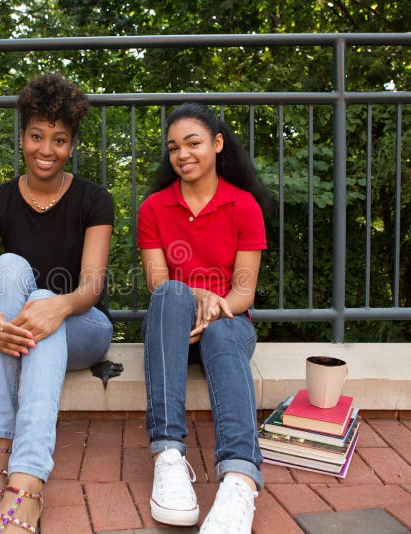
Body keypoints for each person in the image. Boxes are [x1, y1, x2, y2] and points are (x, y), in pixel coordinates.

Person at [0, 73, 114, 533]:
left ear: (71, 146)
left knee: (46, 297)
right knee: (9, 266)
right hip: (25, 331)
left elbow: (91, 287)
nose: (46, 149)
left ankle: (27, 480)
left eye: (59, 139)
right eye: (36, 136)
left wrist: (57, 306)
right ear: (22, 138)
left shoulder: (94, 199)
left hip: (84, 328)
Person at [137, 102, 272, 533]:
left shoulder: (244, 205)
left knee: (223, 332)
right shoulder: (154, 208)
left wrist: (216, 307)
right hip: (171, 327)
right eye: (173, 147)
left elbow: (244, 291)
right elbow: (158, 283)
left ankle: (239, 481)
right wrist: (199, 295)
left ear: (216, 143)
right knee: (172, 293)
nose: (183, 154)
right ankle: (168, 456)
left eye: (192, 143)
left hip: (228, 322)